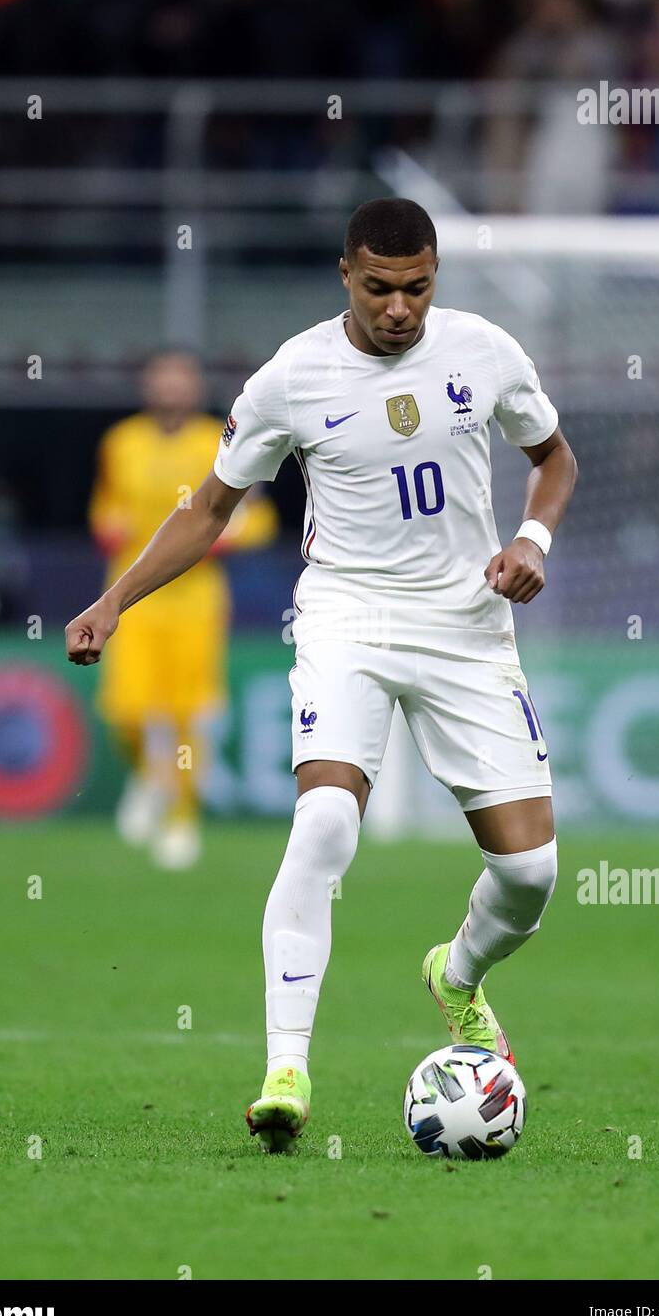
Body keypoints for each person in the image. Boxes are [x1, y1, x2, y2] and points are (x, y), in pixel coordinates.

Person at [66, 199, 578, 1150]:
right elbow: (211, 506)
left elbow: (554, 459)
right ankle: (285, 1069)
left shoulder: (485, 352)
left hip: (467, 623)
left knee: (530, 872)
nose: (398, 308)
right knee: (329, 816)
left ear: (436, 279)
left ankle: (456, 976)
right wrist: (115, 600)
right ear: (346, 274)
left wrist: (532, 538)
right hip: (346, 615)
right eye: (379, 288)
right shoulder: (292, 376)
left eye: (417, 288)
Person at [88, 349, 277, 869]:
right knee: (125, 709)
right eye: (161, 378)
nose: (170, 388)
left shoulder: (218, 438)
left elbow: (257, 517)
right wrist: (108, 525)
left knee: (188, 714)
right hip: (130, 593)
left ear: (195, 386)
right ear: (147, 385)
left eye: (180, 378)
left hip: (195, 595)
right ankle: (150, 775)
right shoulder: (121, 442)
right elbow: (105, 505)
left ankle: (182, 819)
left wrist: (226, 538)